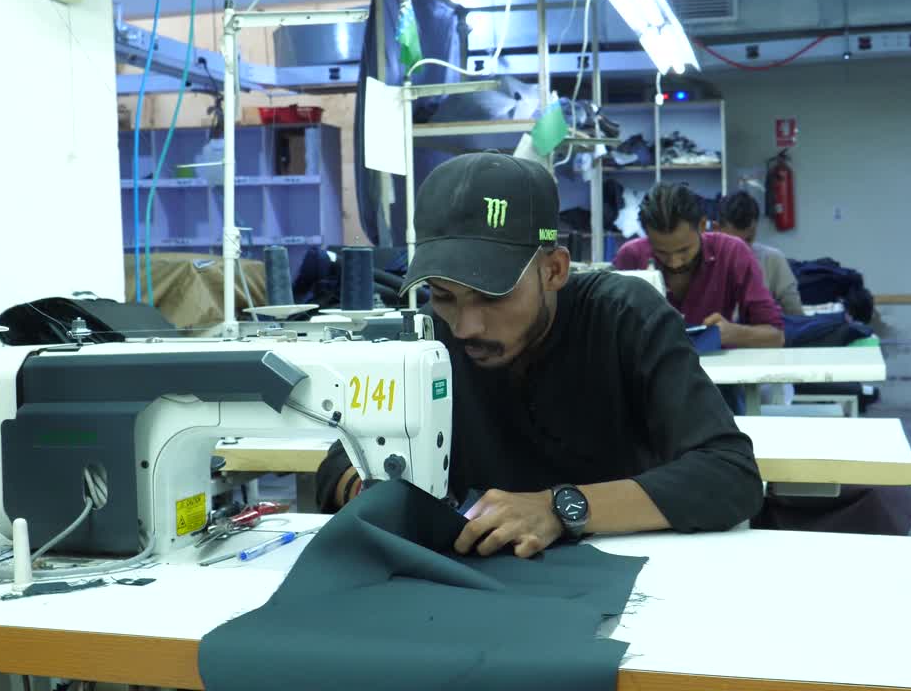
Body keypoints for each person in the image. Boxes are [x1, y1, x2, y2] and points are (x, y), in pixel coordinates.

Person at [315, 153, 763, 557]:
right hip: (478, 579)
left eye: (492, 296)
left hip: (628, 569)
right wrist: (368, 489)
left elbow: (729, 474)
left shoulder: (625, 317)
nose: (466, 326)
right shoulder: (429, 336)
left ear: (554, 270)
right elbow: (346, 457)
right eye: (444, 295)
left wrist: (560, 508)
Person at [611, 183, 784, 349]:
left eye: (684, 250)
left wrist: (733, 333)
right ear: (647, 234)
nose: (674, 262)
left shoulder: (732, 252)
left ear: (702, 226)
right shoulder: (630, 257)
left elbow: (776, 336)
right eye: (662, 252)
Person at [716, 191, 804, 317]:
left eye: (748, 240)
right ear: (716, 229)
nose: (741, 250)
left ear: (756, 228)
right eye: (732, 242)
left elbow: (796, 317)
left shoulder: (772, 259)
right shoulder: (702, 263)